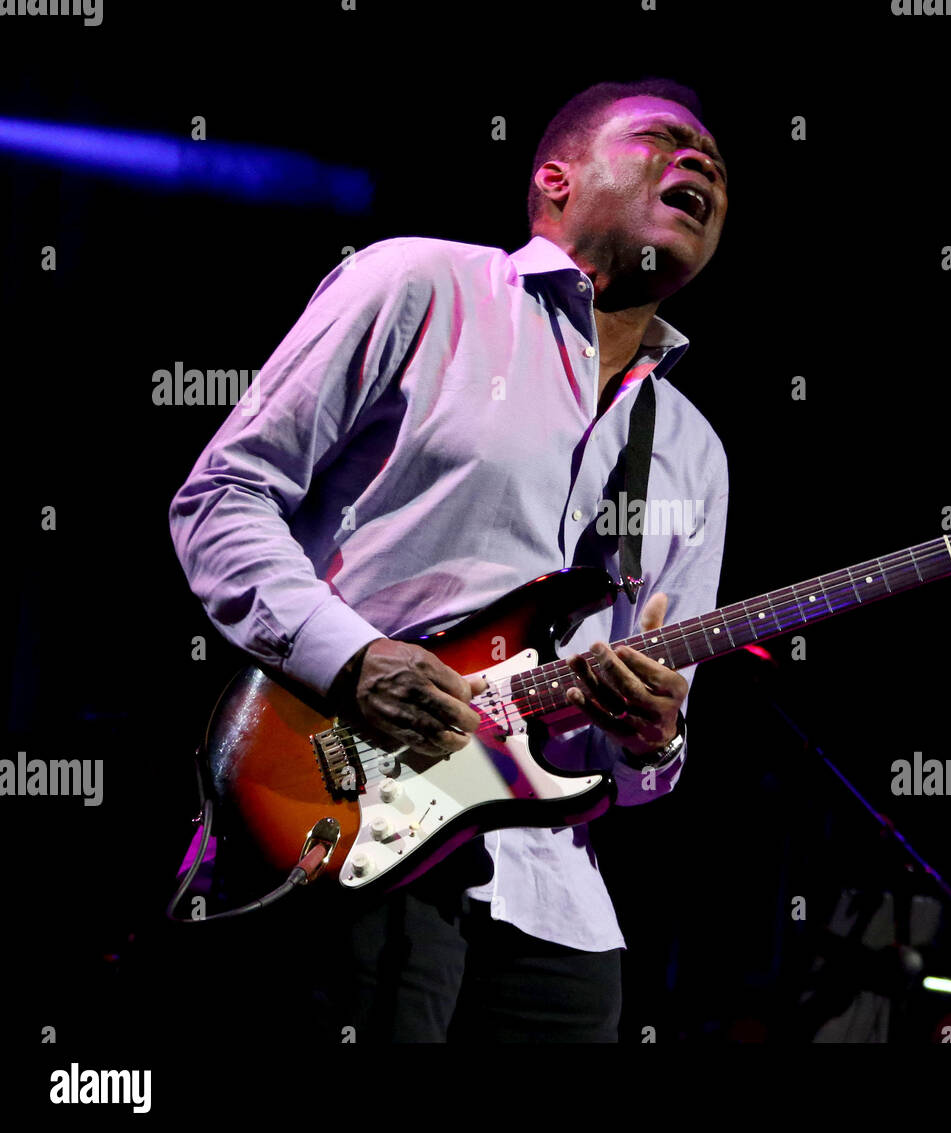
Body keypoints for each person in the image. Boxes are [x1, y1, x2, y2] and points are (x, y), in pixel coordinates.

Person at [169, 77, 730, 1042]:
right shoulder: (421, 286)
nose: (702, 166)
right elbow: (223, 498)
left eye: (715, 165)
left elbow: (636, 767)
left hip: (558, 910)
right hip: (341, 820)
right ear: (554, 179)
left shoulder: (694, 450)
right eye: (662, 142)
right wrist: (352, 656)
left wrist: (653, 741)